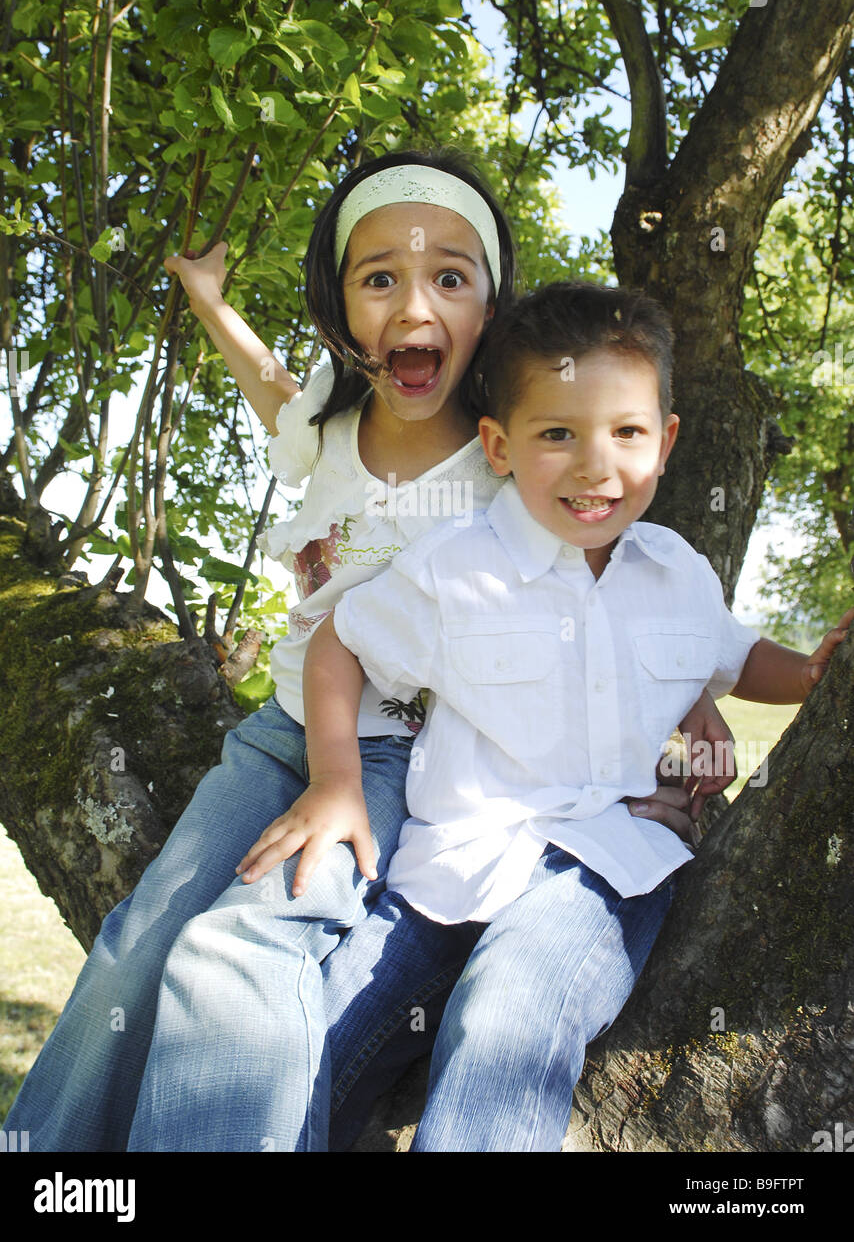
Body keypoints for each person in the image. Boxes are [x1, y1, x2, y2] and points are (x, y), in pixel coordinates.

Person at [2, 156, 728, 1153]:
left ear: (491, 311)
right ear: (341, 313)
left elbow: (624, 591)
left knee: (256, 938)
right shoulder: (328, 426)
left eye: (452, 277)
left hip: (398, 757)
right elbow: (267, 385)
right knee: (138, 943)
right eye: (378, 277)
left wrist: (693, 712)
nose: (414, 301)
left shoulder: (516, 456)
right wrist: (207, 299)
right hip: (281, 733)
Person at [239, 281, 854, 1151]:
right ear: (498, 443)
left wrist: (816, 673)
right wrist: (337, 778)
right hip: (450, 869)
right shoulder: (457, 568)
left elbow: (736, 656)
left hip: (608, 862)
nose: (596, 465)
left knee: (508, 1020)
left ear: (667, 441)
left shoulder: (675, 569)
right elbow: (341, 641)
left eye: (627, 433)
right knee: (307, 1049)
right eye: (557, 433)